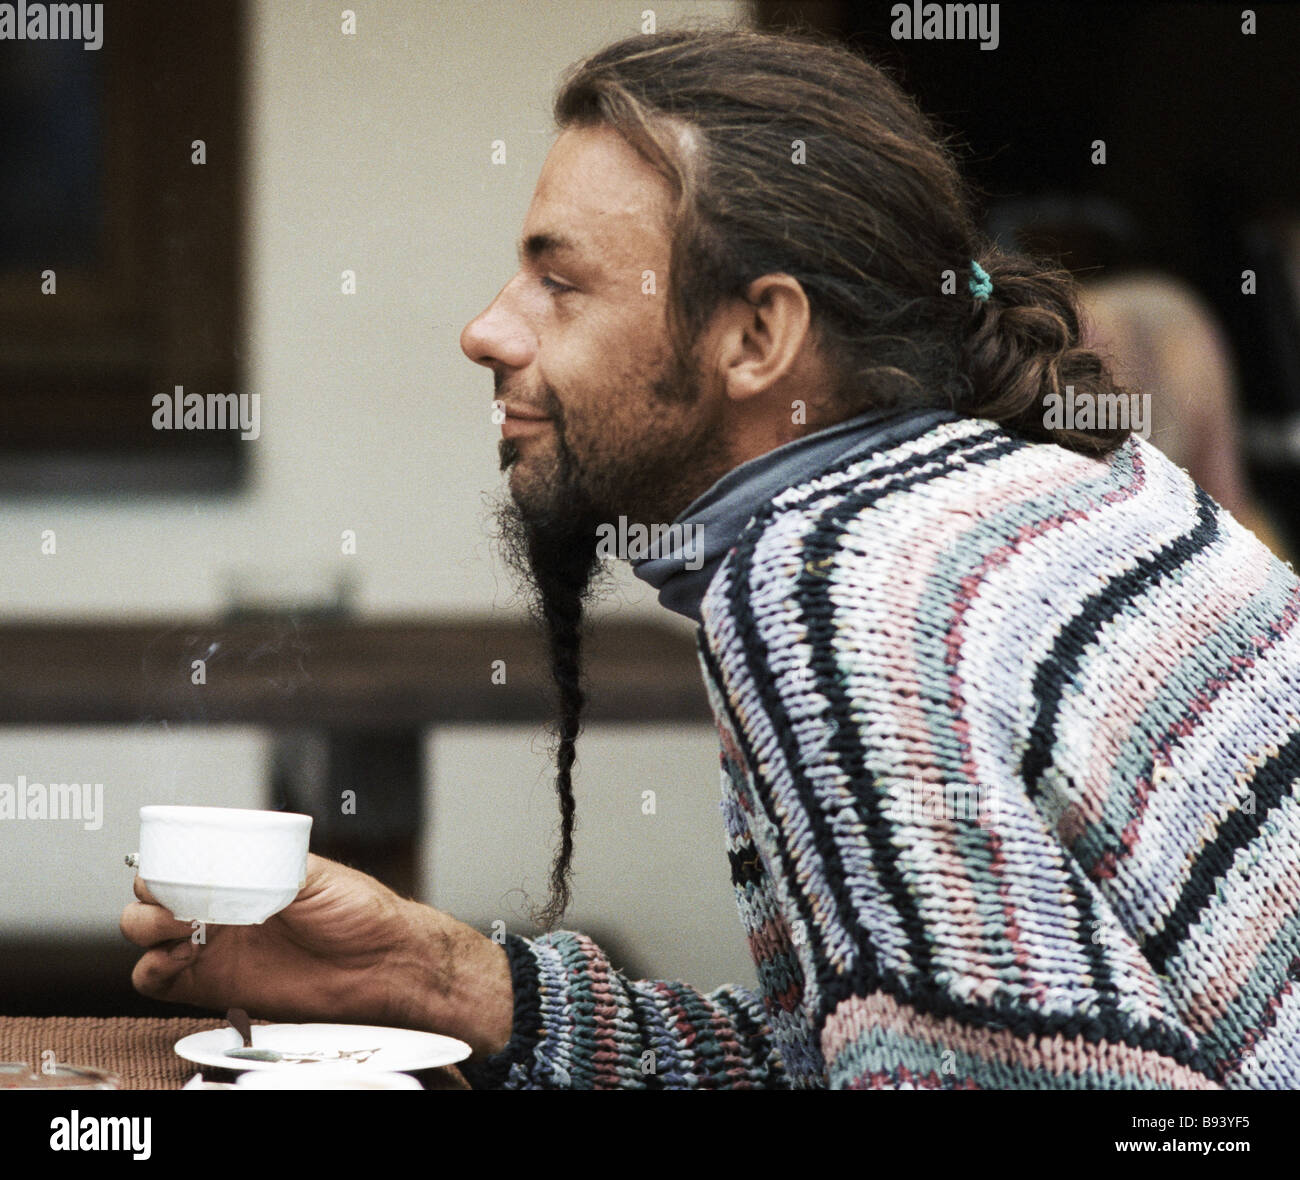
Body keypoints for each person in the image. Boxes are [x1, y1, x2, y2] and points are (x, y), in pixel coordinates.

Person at [121, 28, 1300, 1089]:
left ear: (756, 336)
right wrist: (448, 978)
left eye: (560, 282)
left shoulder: (841, 588)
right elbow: (863, 1054)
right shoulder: (1058, 488)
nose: (486, 329)